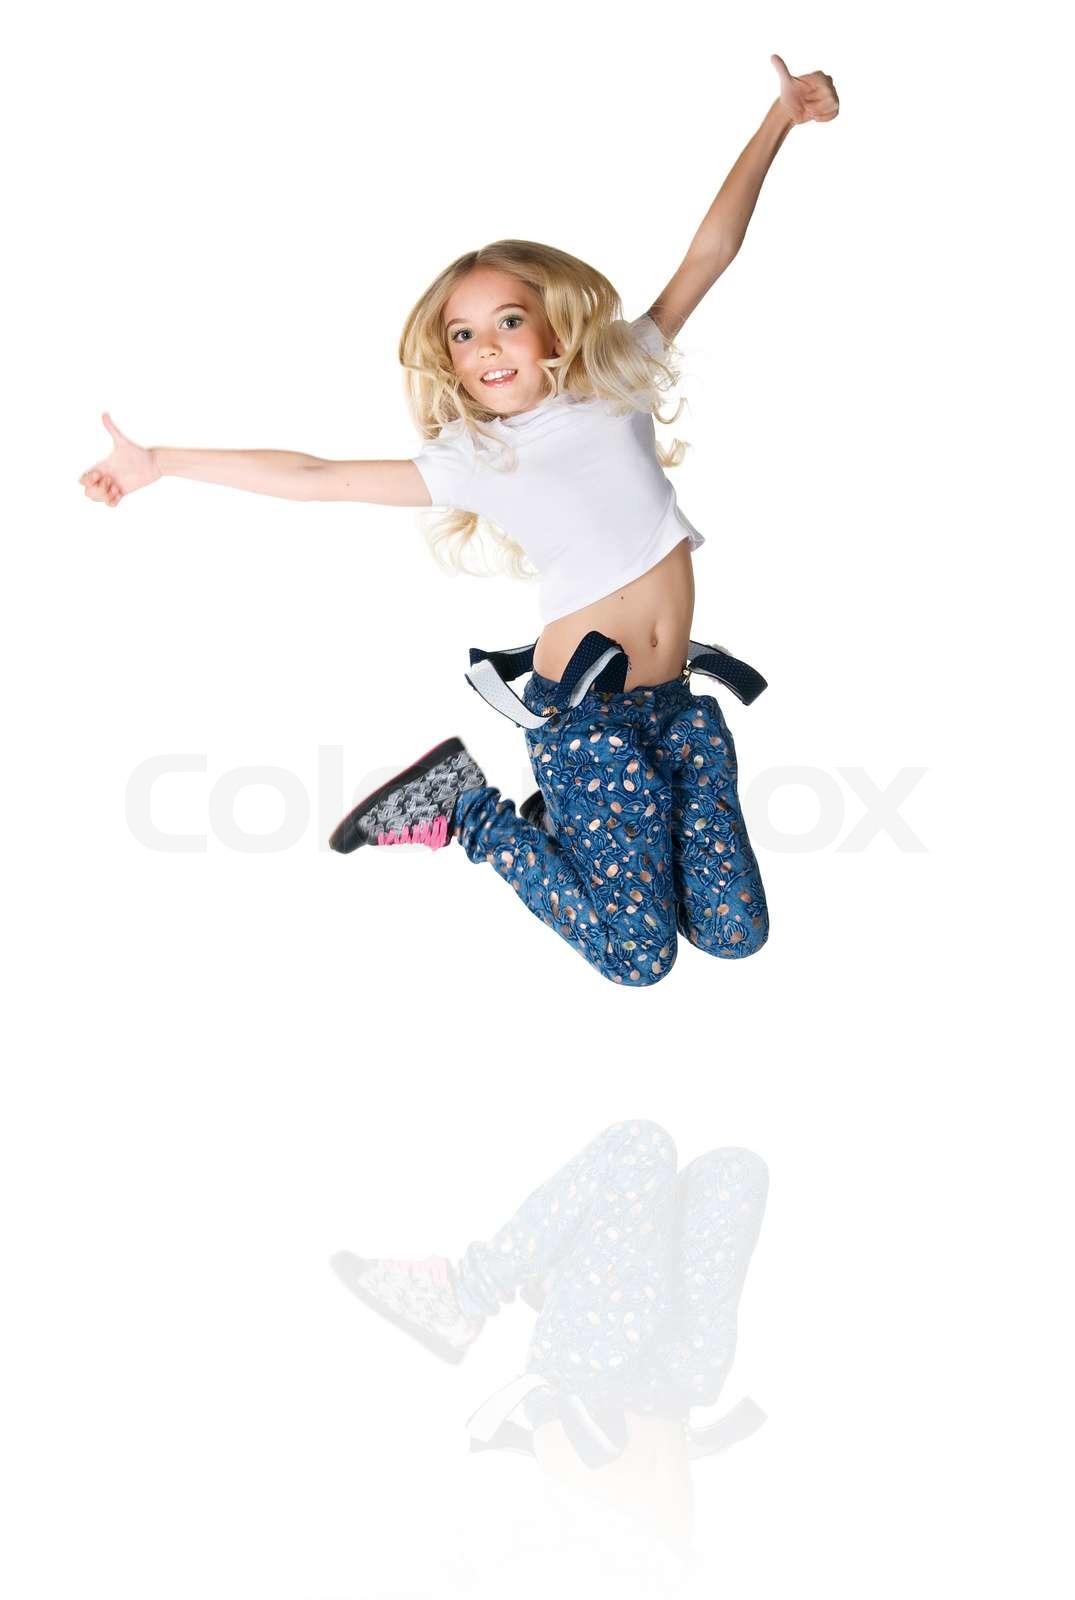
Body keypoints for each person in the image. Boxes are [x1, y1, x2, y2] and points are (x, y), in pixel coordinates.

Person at [79, 55, 839, 985]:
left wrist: (778, 121)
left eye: (507, 320)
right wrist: (161, 463)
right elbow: (315, 477)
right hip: (587, 722)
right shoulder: (477, 457)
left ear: (556, 325)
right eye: (461, 334)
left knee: (733, 935)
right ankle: (470, 809)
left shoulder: (617, 378)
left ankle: (562, 830)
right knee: (638, 959)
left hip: (676, 708)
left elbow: (709, 254)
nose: (483, 349)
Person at [330, 1119, 770, 1555]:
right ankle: (543, 1271)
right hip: (670, 1389)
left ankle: (463, 1297)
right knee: (733, 1173)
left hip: (593, 1370)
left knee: (649, 1149)